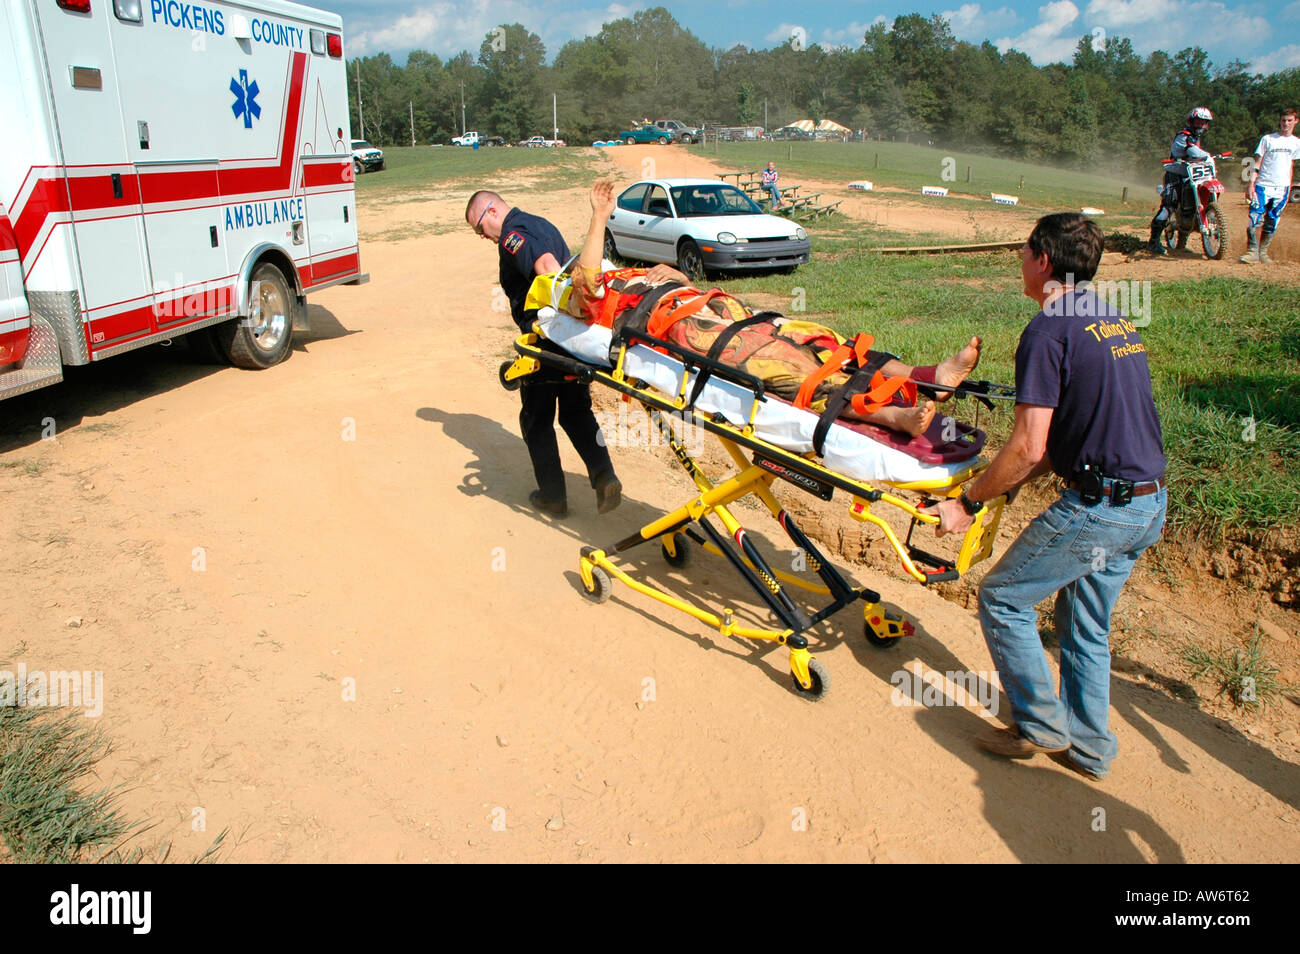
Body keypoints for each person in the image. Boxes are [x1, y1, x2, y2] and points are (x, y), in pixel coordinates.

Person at [926, 212, 1167, 781]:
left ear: (1042, 260)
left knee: (1003, 598)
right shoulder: (1107, 316)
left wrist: (967, 503)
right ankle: (1088, 749)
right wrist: (993, 481)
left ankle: (1039, 724)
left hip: (1102, 510)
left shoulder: (1046, 330)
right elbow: (1058, 446)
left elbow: (1031, 447)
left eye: (1025, 251)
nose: (1021, 262)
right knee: (1085, 625)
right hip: (1149, 503)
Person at [535, 180, 982, 438]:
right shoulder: (576, 300)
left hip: (717, 308)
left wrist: (674, 274)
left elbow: (624, 274)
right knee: (782, 366)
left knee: (816, 338)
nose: (569, 265)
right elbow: (587, 282)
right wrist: (598, 216)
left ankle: (928, 377)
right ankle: (893, 416)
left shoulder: (623, 274)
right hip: (685, 330)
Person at [464, 190, 621, 519]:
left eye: (479, 229)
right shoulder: (540, 223)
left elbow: (548, 268)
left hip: (545, 338)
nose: (482, 237)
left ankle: (552, 497)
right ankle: (604, 476)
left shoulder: (512, 236)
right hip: (572, 338)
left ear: (492, 212)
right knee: (576, 412)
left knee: (535, 420)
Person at [1147, 106, 1214, 255]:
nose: (1201, 125)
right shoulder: (1183, 136)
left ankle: (1181, 245)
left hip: (1190, 176)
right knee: (1168, 207)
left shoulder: (1196, 138)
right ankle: (1153, 242)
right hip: (1174, 175)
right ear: (1191, 121)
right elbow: (1189, 151)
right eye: (1198, 122)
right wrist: (1206, 156)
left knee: (1189, 207)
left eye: (1204, 122)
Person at [1241, 107, 1300, 264]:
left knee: (1273, 219)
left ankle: (1263, 252)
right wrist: (1251, 184)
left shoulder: (1296, 143)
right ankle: (1252, 251)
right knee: (1255, 216)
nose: (1286, 124)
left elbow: (1291, 165)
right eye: (1283, 120)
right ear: (1279, 121)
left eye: (1289, 120)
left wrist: (1289, 188)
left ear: (1295, 121)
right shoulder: (1268, 139)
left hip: (1282, 187)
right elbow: (1257, 162)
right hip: (1263, 184)